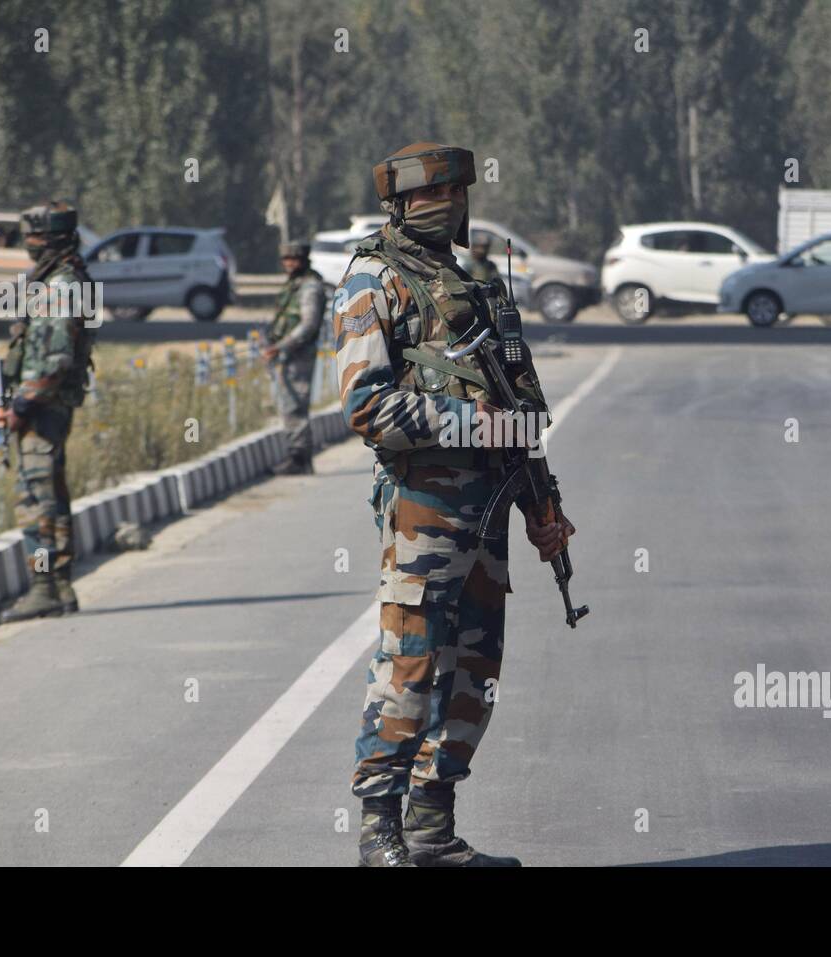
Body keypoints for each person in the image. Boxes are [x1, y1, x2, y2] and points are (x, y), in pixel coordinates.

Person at [334, 141, 575, 867]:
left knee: (477, 669)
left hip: (492, 506)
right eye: (434, 195)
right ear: (403, 203)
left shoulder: (474, 281)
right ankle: (380, 833)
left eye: (455, 193)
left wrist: (544, 503)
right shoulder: (371, 280)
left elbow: (519, 405)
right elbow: (366, 407)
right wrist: (475, 423)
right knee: (409, 664)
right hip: (424, 509)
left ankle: (433, 827)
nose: (448, 206)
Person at [0, 201, 96, 622]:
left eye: (33, 237)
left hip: (42, 407)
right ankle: (59, 586)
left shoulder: (62, 286)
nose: (28, 245)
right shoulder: (59, 280)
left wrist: (21, 405)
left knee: (36, 500)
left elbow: (54, 360)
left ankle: (44, 587)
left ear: (50, 238)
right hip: (45, 404)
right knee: (49, 495)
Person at [263, 241, 325, 475]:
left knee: (295, 406)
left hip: (299, 355)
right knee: (287, 404)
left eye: (294, 259)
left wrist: (281, 346)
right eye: (286, 259)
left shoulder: (310, 287)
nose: (289, 263)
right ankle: (298, 457)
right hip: (287, 354)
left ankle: (299, 459)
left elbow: (308, 324)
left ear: (303, 260)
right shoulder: (295, 284)